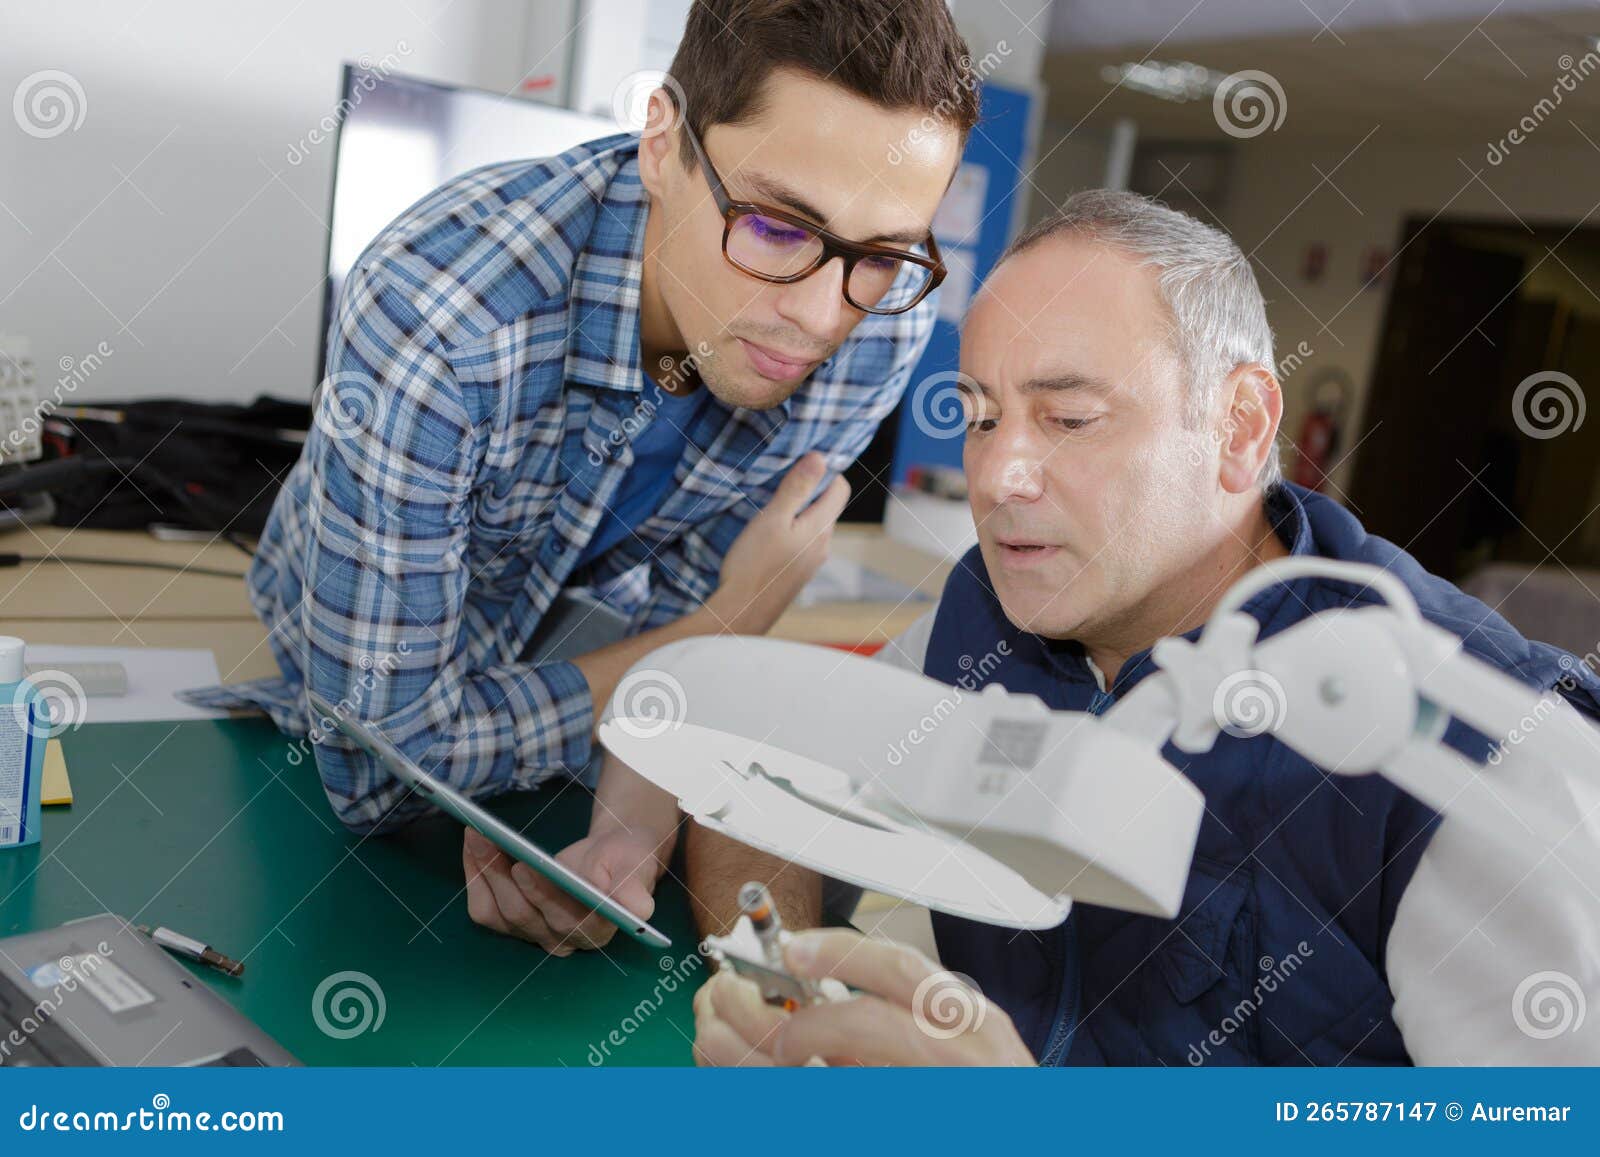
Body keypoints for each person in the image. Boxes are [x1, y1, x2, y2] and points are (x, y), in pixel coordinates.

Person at [685, 189, 1600, 1065]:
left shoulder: (1479, 758)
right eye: (979, 416)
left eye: (1070, 418)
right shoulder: (984, 625)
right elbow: (772, 795)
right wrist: (788, 993)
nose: (998, 477)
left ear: (1240, 427)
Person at [183, 0, 975, 953]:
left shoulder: (880, 321)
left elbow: (677, 632)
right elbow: (378, 766)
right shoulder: (440, 321)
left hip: (580, 656)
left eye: (884, 253)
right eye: (774, 227)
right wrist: (731, 619)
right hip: (361, 662)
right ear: (659, 140)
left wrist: (627, 835)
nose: (818, 319)